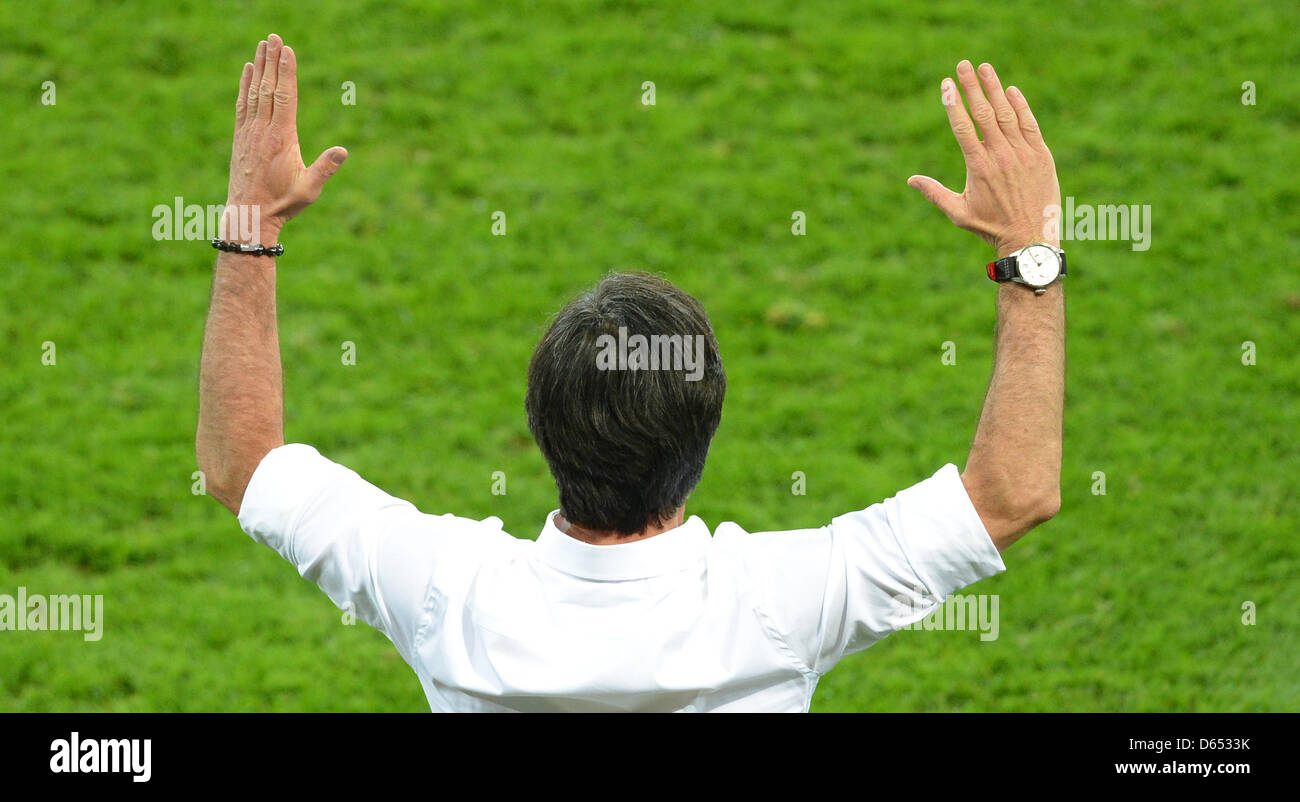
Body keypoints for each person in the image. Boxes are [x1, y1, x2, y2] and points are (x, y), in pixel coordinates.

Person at [198, 34, 1065, 712]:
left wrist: (253, 220)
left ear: (540, 426)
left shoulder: (446, 595)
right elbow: (1011, 494)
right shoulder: (776, 606)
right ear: (705, 431)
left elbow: (243, 465)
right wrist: (1028, 252)